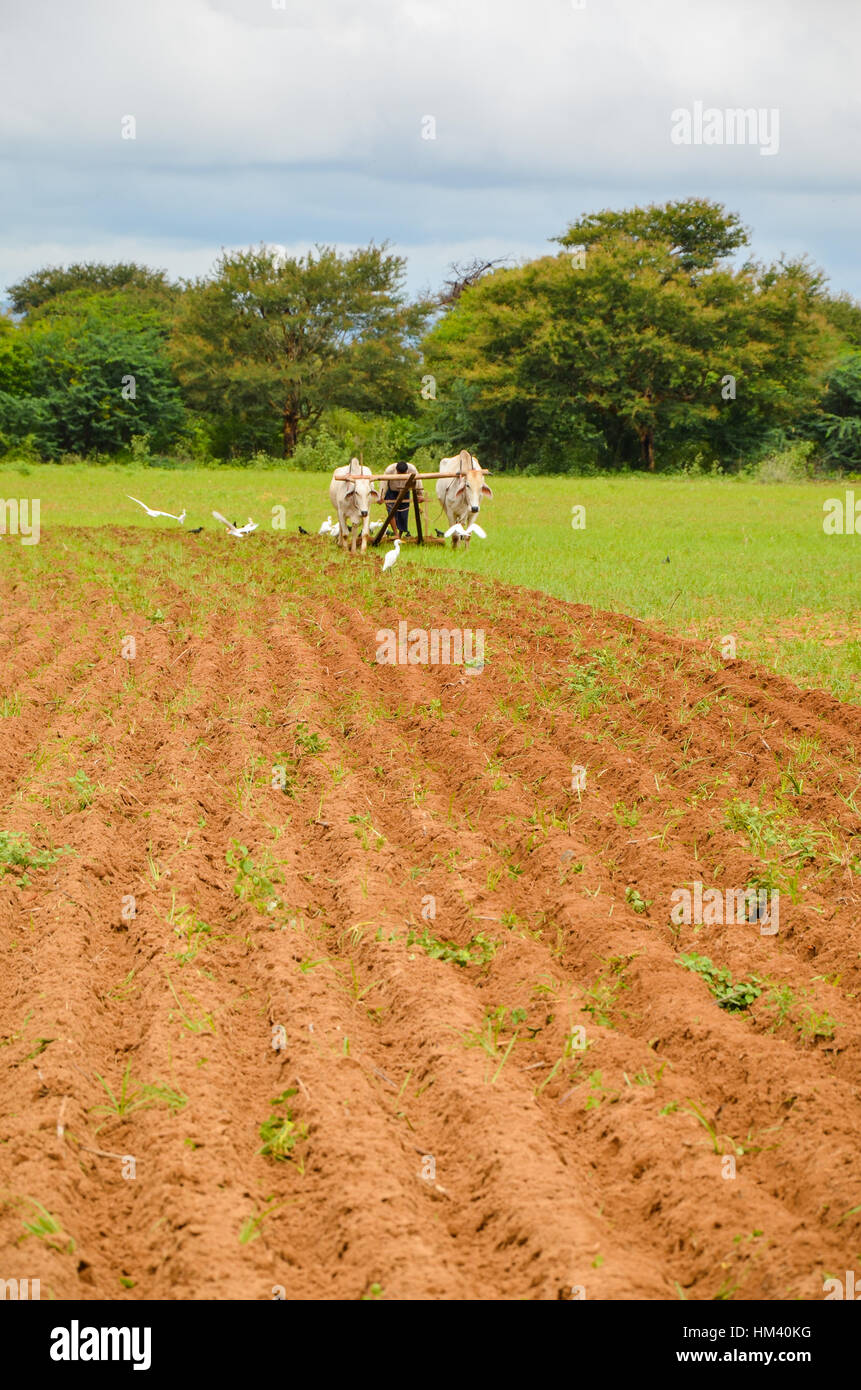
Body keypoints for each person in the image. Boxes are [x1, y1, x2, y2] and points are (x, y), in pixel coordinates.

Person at [379, 459, 424, 537]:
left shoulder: (412, 469)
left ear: (407, 470)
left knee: (403, 514)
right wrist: (381, 496)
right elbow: (384, 483)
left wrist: (420, 495)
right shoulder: (390, 470)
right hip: (392, 492)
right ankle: (396, 534)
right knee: (391, 513)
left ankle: (400, 534)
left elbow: (418, 481)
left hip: (405, 491)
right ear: (397, 470)